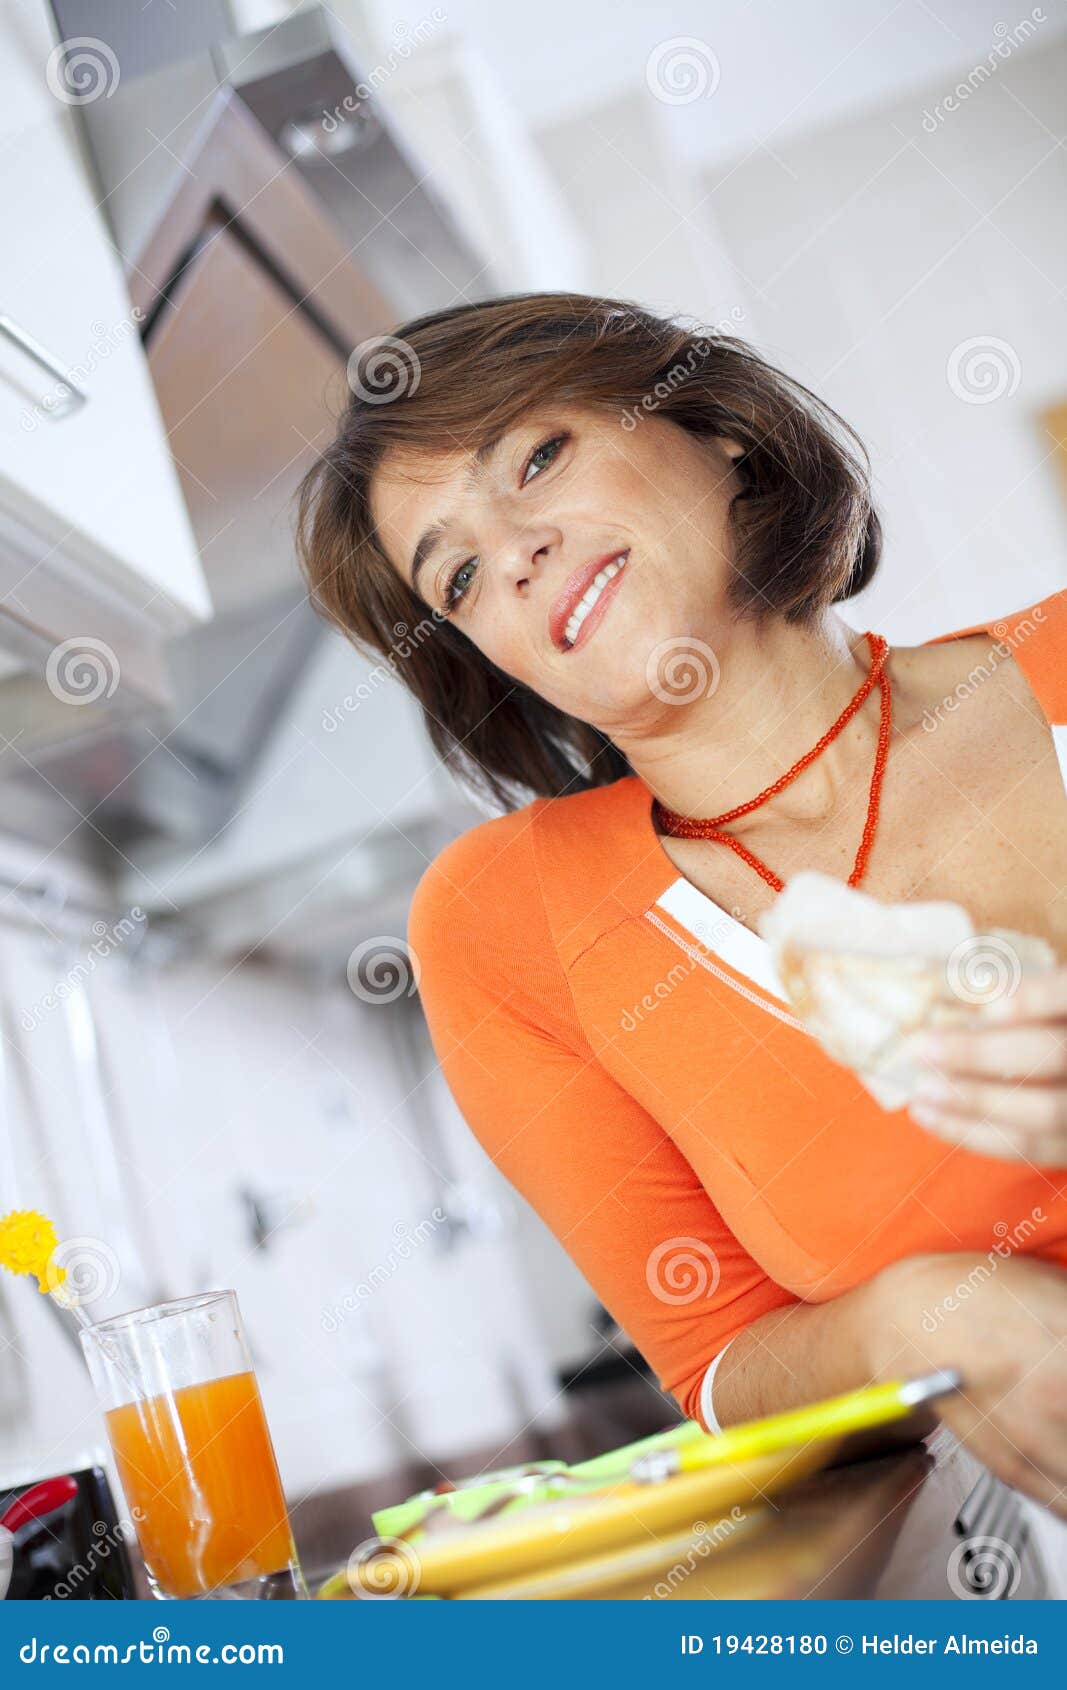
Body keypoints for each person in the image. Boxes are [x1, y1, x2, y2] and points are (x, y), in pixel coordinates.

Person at [298, 293, 1067, 1520]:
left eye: (536, 458)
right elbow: (717, 1364)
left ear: (715, 428)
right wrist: (917, 1316)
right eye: (459, 575)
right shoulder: (509, 924)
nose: (514, 553)